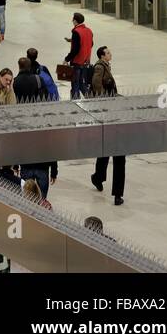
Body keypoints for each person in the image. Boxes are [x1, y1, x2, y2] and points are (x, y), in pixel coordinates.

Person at [90, 46, 125, 205]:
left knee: (107, 153)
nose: (111, 54)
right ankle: (99, 178)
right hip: (109, 120)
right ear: (102, 55)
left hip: (111, 122)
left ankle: (103, 181)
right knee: (111, 155)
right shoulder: (99, 67)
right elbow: (97, 86)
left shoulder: (105, 66)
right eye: (108, 52)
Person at [63, 12, 95, 99]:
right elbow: (90, 43)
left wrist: (67, 59)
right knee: (82, 82)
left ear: (76, 21)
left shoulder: (76, 32)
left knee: (75, 84)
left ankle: (75, 101)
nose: (72, 21)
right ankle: (89, 98)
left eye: (73, 19)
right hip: (85, 61)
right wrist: (72, 40)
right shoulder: (89, 31)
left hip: (77, 61)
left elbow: (75, 50)